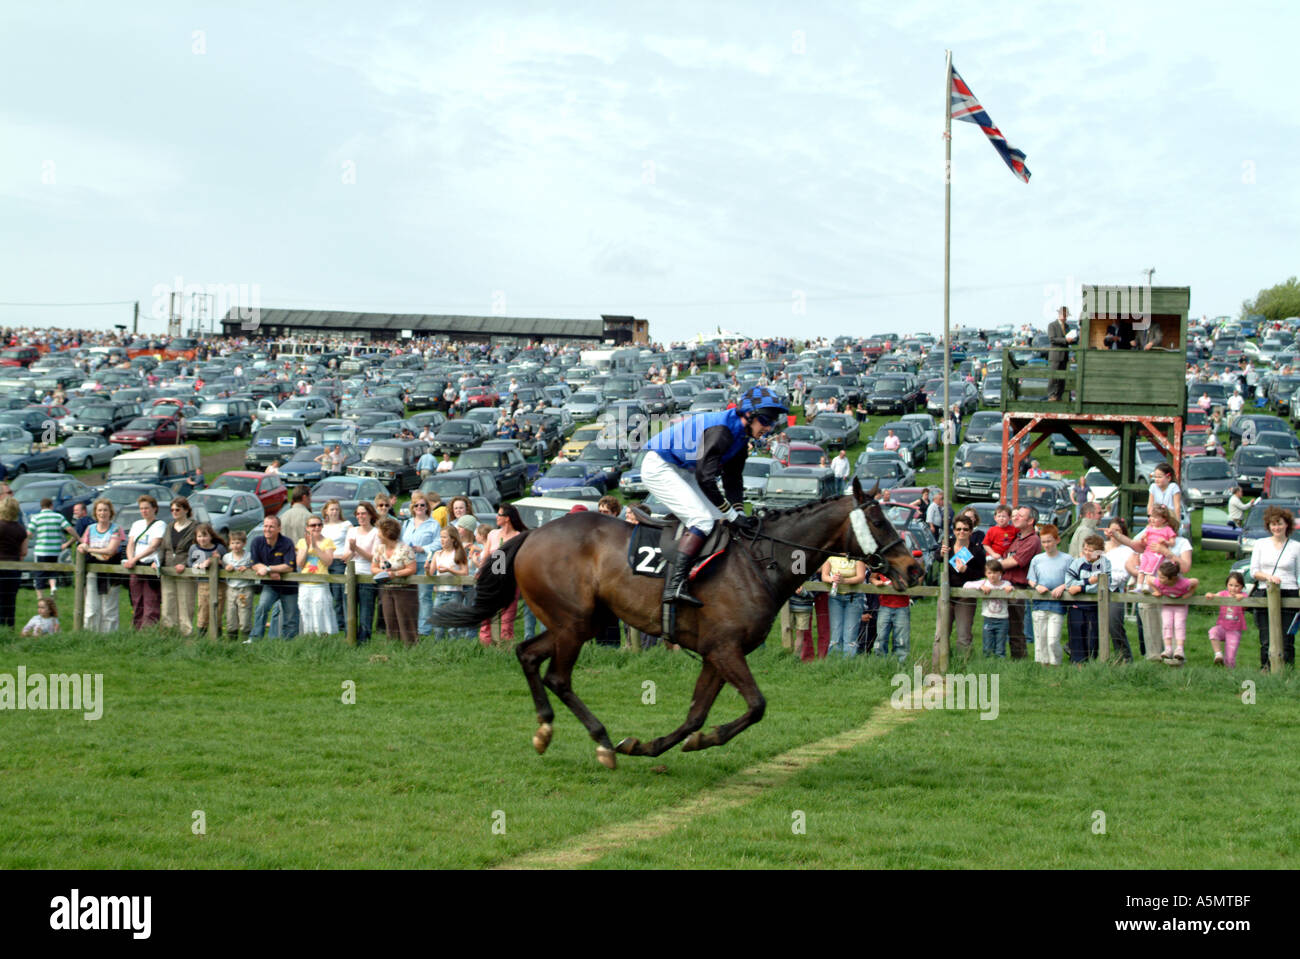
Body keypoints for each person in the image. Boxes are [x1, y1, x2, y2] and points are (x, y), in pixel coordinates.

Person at [640, 384, 783, 617]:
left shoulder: (740, 438)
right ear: (749, 414)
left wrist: (739, 513)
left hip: (683, 469)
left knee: (720, 520)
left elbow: (733, 480)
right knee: (703, 520)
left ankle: (710, 579)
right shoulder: (723, 431)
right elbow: (706, 480)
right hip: (660, 466)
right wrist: (732, 514)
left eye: (773, 423)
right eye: (766, 420)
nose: (768, 428)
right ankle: (675, 586)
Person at [1249, 504, 1300, 670]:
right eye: (1273, 524)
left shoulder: (1296, 547)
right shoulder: (1260, 544)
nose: (1276, 527)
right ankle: (1265, 668)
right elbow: (1254, 571)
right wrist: (1268, 577)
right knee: (1265, 638)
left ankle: (1287, 671)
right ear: (1268, 526)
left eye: (1279, 523)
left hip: (1289, 592)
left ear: (1287, 525)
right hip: (1265, 591)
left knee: (1286, 639)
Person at [936, 515, 985, 657]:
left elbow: (981, 573)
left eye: (965, 529)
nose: (961, 532)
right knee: (940, 633)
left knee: (964, 636)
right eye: (958, 529)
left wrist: (966, 571)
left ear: (971, 531)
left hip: (965, 595)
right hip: (946, 592)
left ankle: (962, 669)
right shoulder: (948, 543)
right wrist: (941, 553)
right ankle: (937, 667)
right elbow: (937, 557)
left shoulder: (976, 550)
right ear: (954, 530)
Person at [479, 503, 527, 646]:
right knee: (486, 616)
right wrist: (482, 573)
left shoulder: (518, 537)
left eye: (499, 514)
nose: (496, 517)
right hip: (491, 581)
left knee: (507, 619)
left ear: (507, 518)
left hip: (509, 582)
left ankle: (506, 647)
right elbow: (486, 557)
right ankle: (485, 646)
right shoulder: (493, 534)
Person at [997, 506, 1041, 659]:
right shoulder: (1017, 537)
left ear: (1030, 521)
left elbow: (1015, 561)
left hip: (1018, 587)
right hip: (1004, 584)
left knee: (1016, 626)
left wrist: (991, 568)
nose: (1015, 518)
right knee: (1001, 624)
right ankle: (998, 656)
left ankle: (1019, 659)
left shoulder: (1033, 540)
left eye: (1020, 516)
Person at [248, 514, 299, 642]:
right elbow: (254, 563)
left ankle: (289, 642)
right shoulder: (257, 541)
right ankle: (255, 639)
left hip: (289, 587)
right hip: (270, 585)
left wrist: (269, 569)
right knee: (262, 608)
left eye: (271, 526)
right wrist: (269, 571)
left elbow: (289, 566)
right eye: (265, 526)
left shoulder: (287, 543)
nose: (268, 529)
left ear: (278, 529)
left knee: (291, 616)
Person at [1027, 524, 1071, 666]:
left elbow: (1073, 579)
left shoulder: (1067, 559)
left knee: (1053, 638)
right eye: (1044, 542)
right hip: (1040, 604)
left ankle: (1055, 663)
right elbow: (1031, 579)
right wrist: (1036, 586)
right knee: (1040, 638)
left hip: (1057, 604)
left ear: (1057, 540)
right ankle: (1042, 665)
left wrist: (1062, 586)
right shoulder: (1037, 560)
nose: (1046, 544)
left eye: (1049, 541)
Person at [79, 498, 124, 634]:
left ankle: (109, 636)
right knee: (91, 606)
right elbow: (82, 546)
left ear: (110, 512)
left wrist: (90, 549)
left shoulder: (116, 529)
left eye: (105, 510)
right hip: (93, 572)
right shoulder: (90, 529)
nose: (102, 513)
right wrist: (83, 548)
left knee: (109, 608)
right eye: (99, 510)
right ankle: (91, 635)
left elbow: (111, 550)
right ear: (95, 512)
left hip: (111, 572)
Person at [372, 516, 419, 646]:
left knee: (405, 619)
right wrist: (383, 574)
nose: (377, 534)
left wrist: (395, 574)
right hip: (386, 589)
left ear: (387, 532)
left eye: (379, 531)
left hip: (404, 590)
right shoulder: (379, 549)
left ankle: (411, 646)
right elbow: (373, 567)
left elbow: (412, 568)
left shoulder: (405, 549)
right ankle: (393, 645)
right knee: (389, 618)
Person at [1064, 534, 1109, 664]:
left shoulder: (1104, 564)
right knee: (1076, 635)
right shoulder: (1077, 563)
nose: (1087, 553)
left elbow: (1100, 585)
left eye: (1091, 550)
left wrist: (1080, 588)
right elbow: (1069, 583)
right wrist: (1088, 581)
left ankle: (1092, 664)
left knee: (1093, 637)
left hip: (1095, 607)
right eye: (1085, 549)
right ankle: (1077, 663)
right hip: (1077, 606)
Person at [402, 491, 441, 637]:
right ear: (412, 507)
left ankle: (423, 630)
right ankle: (410, 626)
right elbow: (400, 542)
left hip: (425, 564)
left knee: (424, 596)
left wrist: (422, 549)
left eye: (422, 505)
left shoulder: (433, 524)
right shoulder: (406, 523)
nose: (419, 507)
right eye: (416, 505)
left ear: (427, 507)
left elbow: (438, 544)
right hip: (407, 565)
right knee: (409, 597)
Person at [123, 495, 166, 629]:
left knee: (150, 600)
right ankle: (136, 628)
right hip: (136, 566)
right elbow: (130, 543)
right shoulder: (137, 524)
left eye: (147, 508)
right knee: (136, 600)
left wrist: (134, 559)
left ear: (154, 509)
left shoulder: (160, 525)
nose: (144, 511)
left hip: (149, 565)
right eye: (141, 508)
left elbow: (154, 546)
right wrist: (131, 559)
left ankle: (148, 630)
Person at [1149, 560, 1199, 665]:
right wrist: (1157, 591)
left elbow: (1195, 581)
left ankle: (1179, 649)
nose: (1159, 579)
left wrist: (1190, 593)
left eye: (1162, 577)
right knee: (1167, 624)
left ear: (1172, 578)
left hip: (1180, 607)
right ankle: (1168, 649)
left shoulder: (1183, 583)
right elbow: (1148, 579)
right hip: (1167, 606)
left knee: (1179, 625)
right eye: (1159, 576)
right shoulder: (1159, 582)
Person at [1101, 517, 1135, 662]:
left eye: (1117, 531)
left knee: (1115, 625)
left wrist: (1106, 578)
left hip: (1115, 591)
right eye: (1111, 530)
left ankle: (1124, 657)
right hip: (1095, 590)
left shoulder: (1127, 551)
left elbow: (1123, 574)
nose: (1113, 533)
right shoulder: (1101, 546)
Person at [296, 515, 337, 635]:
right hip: (305, 583)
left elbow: (328, 561)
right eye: (313, 525)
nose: (316, 527)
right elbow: (300, 563)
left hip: (320, 583)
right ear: (307, 528)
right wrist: (308, 547)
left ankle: (323, 635)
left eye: (319, 524)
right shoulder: (301, 542)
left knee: (321, 610)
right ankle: (308, 635)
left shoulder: (327, 541)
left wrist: (315, 547)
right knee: (305, 610)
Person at [28, 497, 76, 600]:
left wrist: (25, 540)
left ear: (41, 506)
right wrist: (77, 537)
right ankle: (53, 587)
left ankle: (40, 596)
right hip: (54, 550)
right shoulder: (58, 516)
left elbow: (29, 533)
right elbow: (69, 528)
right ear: (51, 505)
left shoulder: (36, 517)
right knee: (52, 570)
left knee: (39, 573)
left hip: (41, 550)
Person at [820, 553, 867, 657]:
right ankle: (834, 661)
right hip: (835, 597)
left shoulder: (857, 557)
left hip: (853, 598)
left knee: (850, 634)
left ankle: (848, 662)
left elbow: (861, 577)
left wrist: (845, 581)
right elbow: (824, 576)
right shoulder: (830, 556)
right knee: (836, 632)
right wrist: (832, 579)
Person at [430, 527, 469, 641]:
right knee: (437, 622)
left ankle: (453, 647)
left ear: (452, 539)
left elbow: (464, 572)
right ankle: (439, 645)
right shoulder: (437, 554)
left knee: (453, 625)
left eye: (444, 537)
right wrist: (427, 569)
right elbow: (431, 573)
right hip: (440, 592)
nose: (442, 540)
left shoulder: (458, 553)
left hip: (454, 592)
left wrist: (449, 570)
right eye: (441, 537)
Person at [320, 499, 352, 628]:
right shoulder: (322, 527)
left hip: (339, 561)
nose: (334, 512)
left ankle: (342, 623)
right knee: (327, 593)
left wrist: (347, 554)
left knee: (339, 594)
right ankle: (330, 621)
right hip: (324, 562)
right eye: (332, 509)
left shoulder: (346, 524)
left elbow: (352, 540)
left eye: (337, 509)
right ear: (326, 511)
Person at [189, 523, 226, 635]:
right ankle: (201, 634)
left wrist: (216, 560)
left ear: (211, 536)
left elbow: (227, 563)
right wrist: (197, 566)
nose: (202, 539)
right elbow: (191, 563)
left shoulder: (219, 548)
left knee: (217, 609)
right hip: (203, 584)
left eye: (205, 536)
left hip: (219, 584)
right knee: (203, 609)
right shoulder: (194, 548)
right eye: (199, 536)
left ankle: (217, 634)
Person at [1206, 571, 1248, 668]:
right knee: (1213, 632)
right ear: (1227, 585)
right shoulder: (1223, 594)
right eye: (1230, 585)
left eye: (1237, 586)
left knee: (1230, 656)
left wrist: (1241, 598)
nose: (1233, 588)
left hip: (1235, 630)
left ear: (1242, 587)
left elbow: (1245, 602)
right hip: (1223, 627)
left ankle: (1229, 673)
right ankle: (1218, 654)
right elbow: (1215, 595)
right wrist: (1210, 595)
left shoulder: (1243, 596)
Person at [974, 559, 1015, 657]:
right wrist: (980, 587)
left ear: (1000, 573)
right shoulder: (984, 583)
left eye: (995, 572)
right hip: (988, 619)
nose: (992, 575)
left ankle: (1000, 665)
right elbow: (966, 585)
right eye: (989, 573)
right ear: (986, 573)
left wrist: (1011, 589)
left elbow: (1013, 593)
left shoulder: (1006, 584)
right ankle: (988, 665)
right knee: (987, 646)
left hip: (1002, 619)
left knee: (1000, 646)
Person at [1132, 504, 1176, 593]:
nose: (1152, 519)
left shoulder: (1167, 529)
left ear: (1163, 519)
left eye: (1155, 517)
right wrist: (1143, 539)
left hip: (1156, 554)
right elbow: (1145, 543)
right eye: (1151, 516)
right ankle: (1139, 586)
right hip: (1147, 552)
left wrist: (1165, 542)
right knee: (1141, 570)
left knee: (1149, 571)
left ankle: (1147, 586)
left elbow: (1172, 542)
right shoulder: (1149, 528)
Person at [0, 497, 29, 627]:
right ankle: (10, 629)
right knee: (10, 602)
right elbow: (24, 552)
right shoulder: (21, 529)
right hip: (14, 570)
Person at [871, 570, 911, 661]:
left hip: (902, 606)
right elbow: (872, 577)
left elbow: (917, 577)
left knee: (901, 638)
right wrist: (876, 581)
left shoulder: (904, 566)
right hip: (885, 606)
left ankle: (900, 663)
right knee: (881, 636)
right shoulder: (883, 566)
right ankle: (880, 662)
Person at [222, 530, 254, 641]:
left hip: (245, 588)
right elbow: (223, 568)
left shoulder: (249, 556)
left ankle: (246, 637)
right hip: (231, 588)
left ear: (244, 543)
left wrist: (248, 569)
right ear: (229, 544)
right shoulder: (226, 557)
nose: (235, 546)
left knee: (244, 613)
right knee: (231, 614)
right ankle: (232, 639)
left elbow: (254, 567)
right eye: (233, 543)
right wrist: (227, 568)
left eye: (238, 543)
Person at [1046, 306, 1071, 401]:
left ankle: (1059, 395)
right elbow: (1052, 339)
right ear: (1060, 314)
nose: (1065, 317)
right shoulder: (1052, 325)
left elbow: (1069, 338)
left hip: (1064, 355)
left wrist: (1072, 339)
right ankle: (1051, 395)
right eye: (1064, 315)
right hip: (1056, 355)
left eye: (1066, 315)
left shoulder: (1067, 326)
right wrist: (1065, 340)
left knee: (1062, 378)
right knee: (1053, 377)